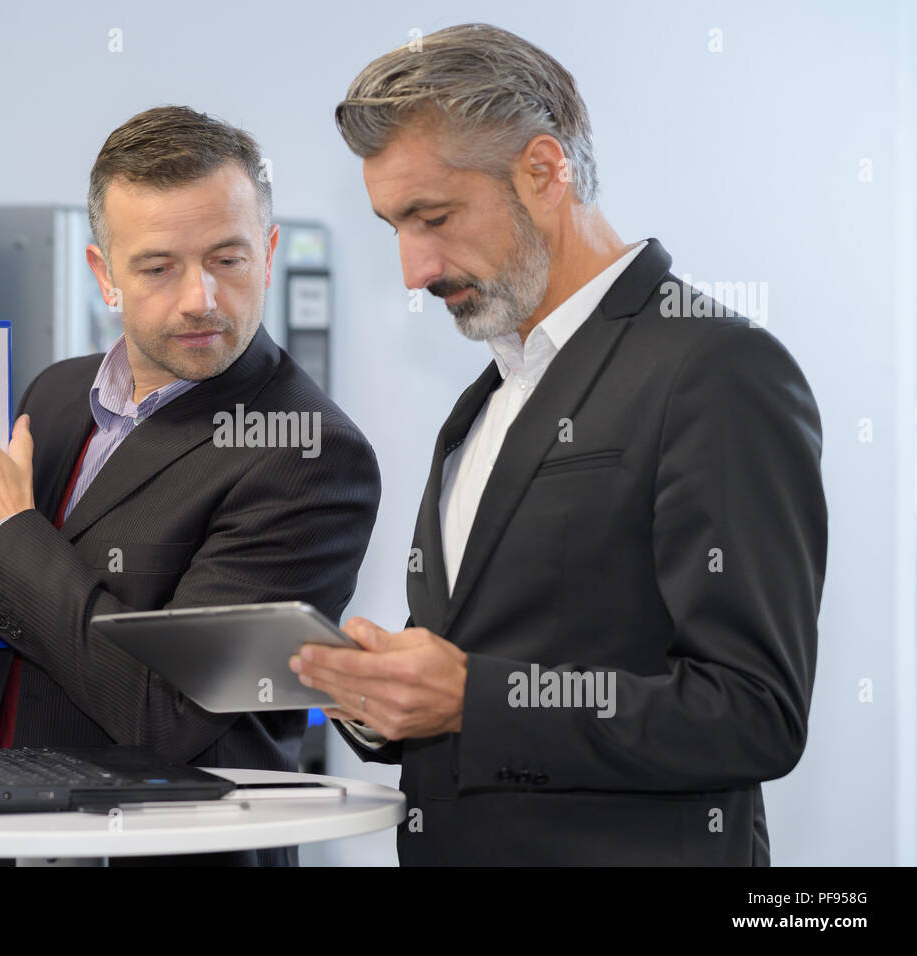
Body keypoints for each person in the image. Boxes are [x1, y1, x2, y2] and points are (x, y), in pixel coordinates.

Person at [0, 105, 380, 866]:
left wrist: (3, 530)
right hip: (3, 841)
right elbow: (30, 655)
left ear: (267, 251)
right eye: (159, 267)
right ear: (103, 274)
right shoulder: (57, 397)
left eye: (227, 259)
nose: (200, 297)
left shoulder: (309, 454)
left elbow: (165, 713)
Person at [292, 23, 827, 865]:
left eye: (432, 217)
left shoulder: (718, 368)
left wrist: (475, 700)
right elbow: (496, 650)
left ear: (544, 171)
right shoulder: (486, 398)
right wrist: (384, 692)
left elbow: (753, 712)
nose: (412, 269)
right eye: (393, 225)